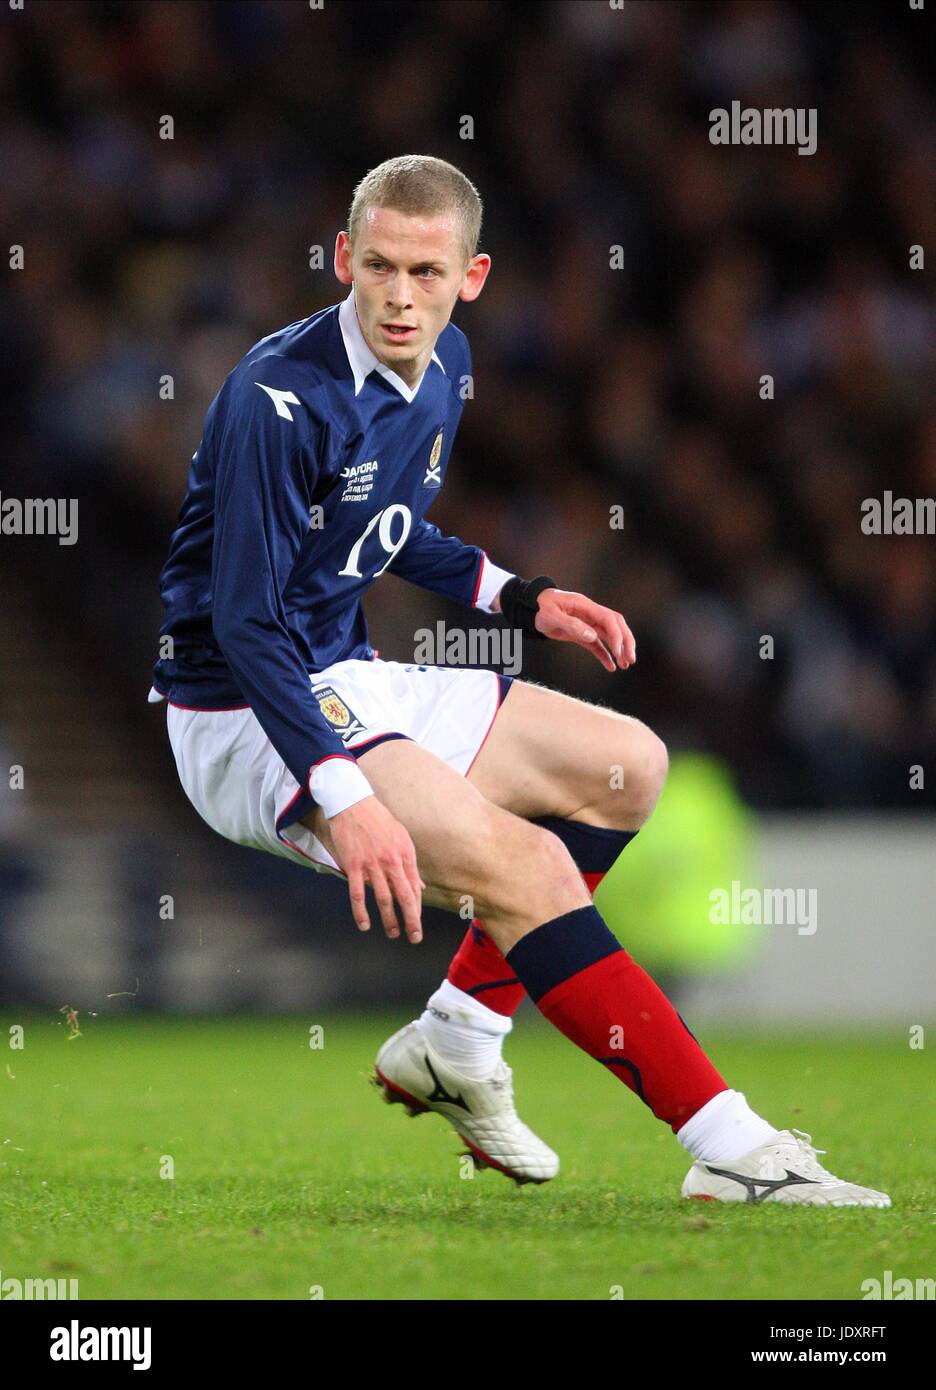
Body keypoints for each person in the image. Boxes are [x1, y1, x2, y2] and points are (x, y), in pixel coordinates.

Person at [151, 154, 889, 1207]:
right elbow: (246, 617)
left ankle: (457, 1035)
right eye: (380, 268)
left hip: (341, 674)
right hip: (238, 710)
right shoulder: (277, 397)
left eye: (427, 271)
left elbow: (386, 527)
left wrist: (518, 596)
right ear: (342, 259)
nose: (402, 297)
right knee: (531, 867)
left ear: (475, 276)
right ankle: (734, 1150)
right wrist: (343, 792)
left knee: (627, 765)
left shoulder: (445, 364)